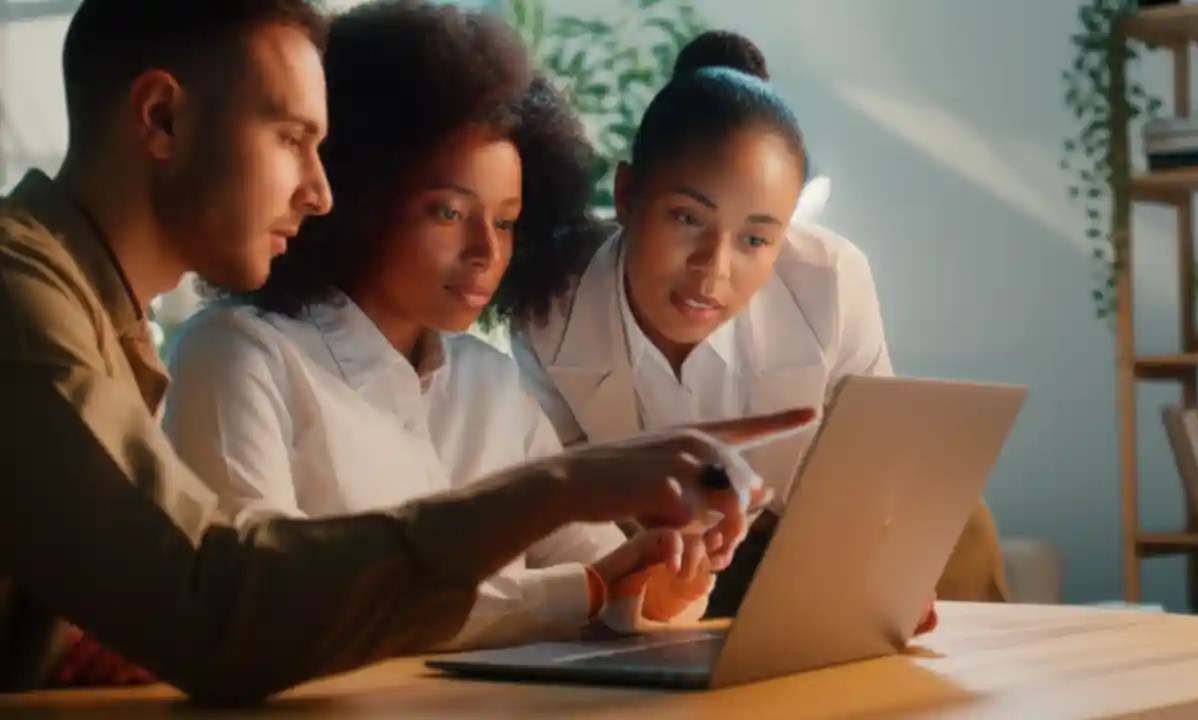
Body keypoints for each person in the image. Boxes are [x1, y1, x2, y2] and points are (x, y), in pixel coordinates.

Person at [0, 2, 809, 700]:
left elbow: (186, 612)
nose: (319, 192)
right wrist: (564, 489)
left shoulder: (99, 318)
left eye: (506, 220)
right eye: (290, 139)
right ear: (163, 119)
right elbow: (223, 611)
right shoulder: (29, 307)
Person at [162, 2, 730, 652]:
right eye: (448, 212)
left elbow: (608, 575)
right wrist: (582, 591)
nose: (486, 250)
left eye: (508, 220)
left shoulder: (489, 383)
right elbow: (265, 610)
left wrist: (672, 571)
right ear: (354, 196)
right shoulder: (236, 355)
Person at [511, 30, 1007, 618]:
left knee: (962, 538)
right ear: (625, 195)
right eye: (686, 218)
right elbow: (568, 509)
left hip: (812, 534)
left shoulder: (830, 280)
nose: (713, 270)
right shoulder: (551, 309)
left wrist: (883, 564)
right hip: (654, 554)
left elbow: (875, 464)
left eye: (754, 238)